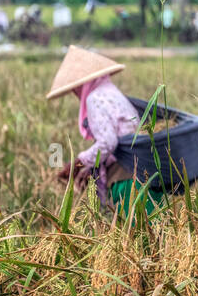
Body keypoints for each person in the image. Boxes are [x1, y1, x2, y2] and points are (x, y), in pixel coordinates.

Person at [46, 46, 165, 216]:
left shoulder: (95, 98)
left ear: (82, 84)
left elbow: (108, 142)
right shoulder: (111, 93)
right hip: (144, 171)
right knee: (153, 232)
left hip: (126, 178)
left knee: (139, 235)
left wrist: (79, 162)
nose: (75, 93)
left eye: (75, 88)